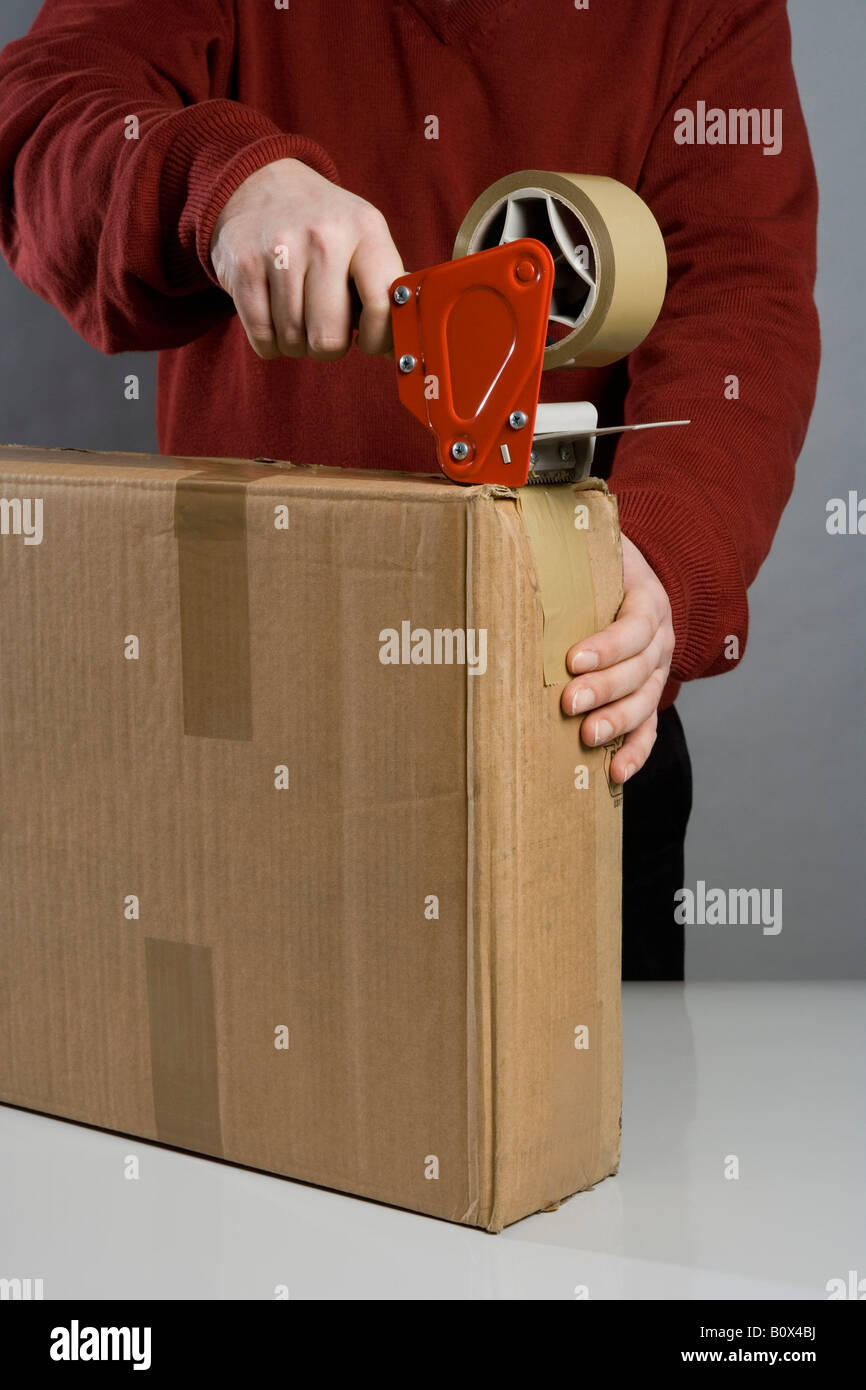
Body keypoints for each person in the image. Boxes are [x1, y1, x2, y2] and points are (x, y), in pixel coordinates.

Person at [0, 0, 819, 979]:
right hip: (251, 733)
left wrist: (662, 558)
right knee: (237, 1120)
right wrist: (225, 183)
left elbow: (738, 296)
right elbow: (36, 117)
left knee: (585, 1128)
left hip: (564, 722)